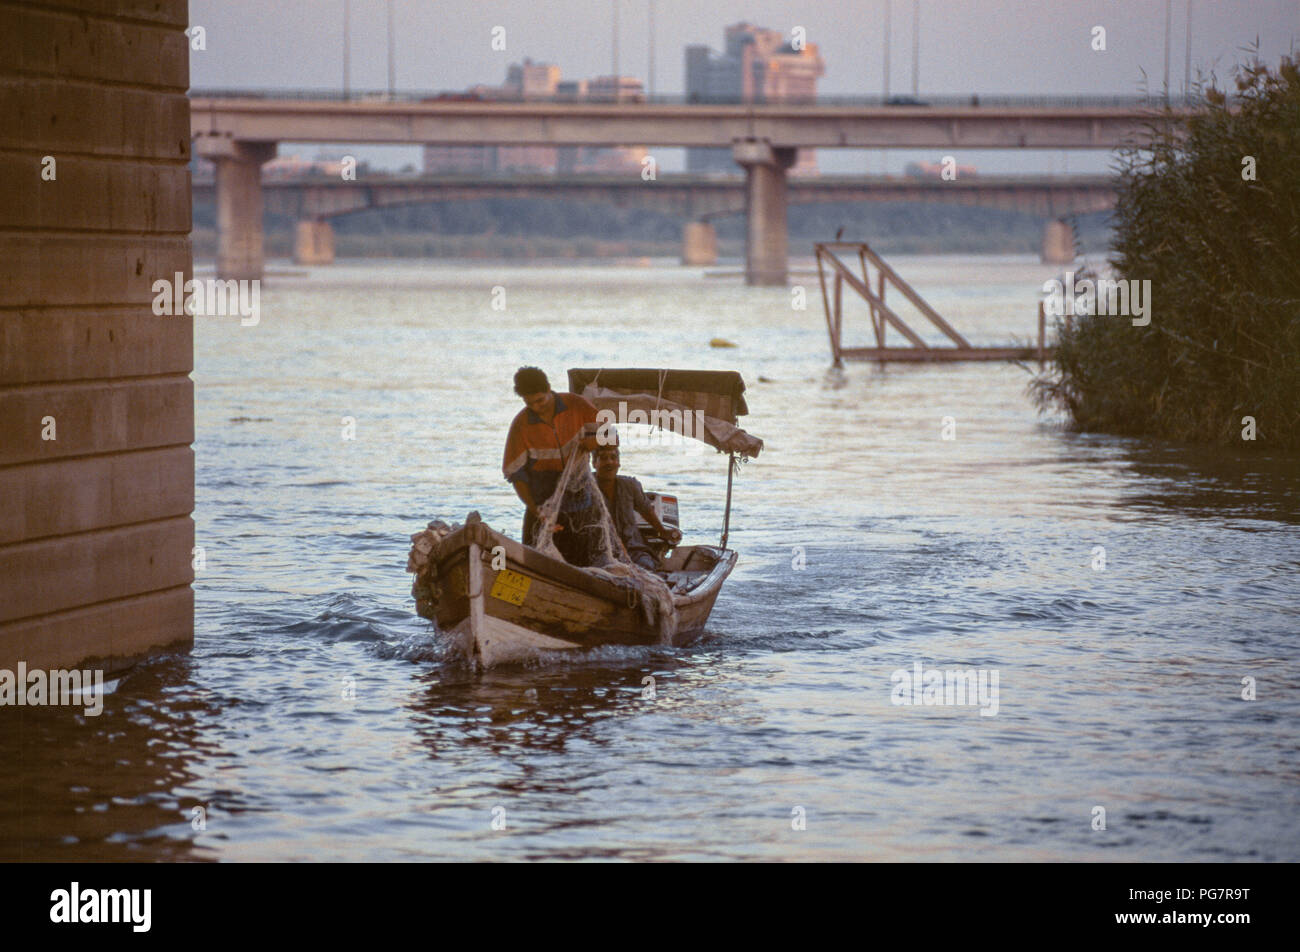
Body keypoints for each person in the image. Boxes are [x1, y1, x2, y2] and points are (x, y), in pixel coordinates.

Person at [502, 366, 601, 562]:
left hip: (580, 500)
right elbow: (516, 475)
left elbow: (610, 434)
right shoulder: (521, 424)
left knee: (582, 562)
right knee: (535, 562)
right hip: (543, 503)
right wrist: (536, 510)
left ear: (549, 389)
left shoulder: (577, 405)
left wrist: (595, 442)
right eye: (530, 403)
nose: (536, 407)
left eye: (540, 400)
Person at [591, 434, 681, 571]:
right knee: (606, 569)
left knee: (646, 566)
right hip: (600, 549)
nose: (609, 462)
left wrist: (663, 532)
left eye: (613, 458)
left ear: (619, 463)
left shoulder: (630, 485)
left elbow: (646, 510)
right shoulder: (587, 486)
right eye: (603, 458)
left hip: (633, 548)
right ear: (594, 464)